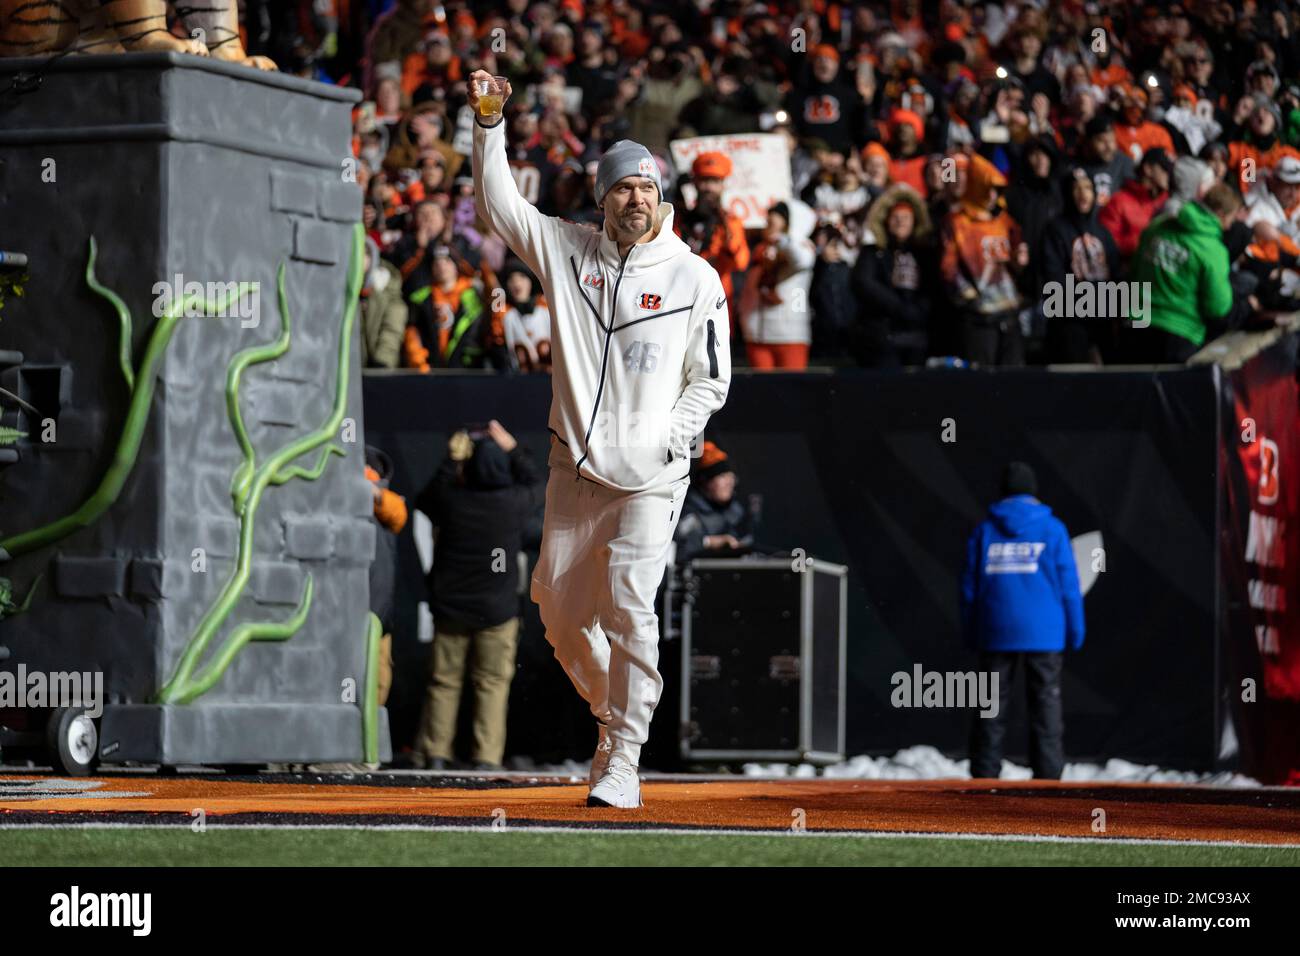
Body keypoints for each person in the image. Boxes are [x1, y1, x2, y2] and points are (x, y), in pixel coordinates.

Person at [469, 70, 731, 808]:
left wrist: (666, 442)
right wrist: (490, 120)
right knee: (555, 612)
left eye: (647, 188)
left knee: (627, 602)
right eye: (622, 188)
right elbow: (498, 204)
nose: (636, 199)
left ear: (661, 197)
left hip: (651, 476)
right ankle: (611, 718)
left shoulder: (694, 277)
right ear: (602, 197)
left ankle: (623, 757)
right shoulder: (565, 251)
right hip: (573, 469)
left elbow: (710, 383)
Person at [412, 421, 544, 770]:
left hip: (451, 607)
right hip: (497, 612)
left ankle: (436, 754)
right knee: (492, 685)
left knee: (444, 683)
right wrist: (513, 447)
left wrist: (451, 459)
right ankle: (486, 758)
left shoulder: (451, 499)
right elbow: (536, 483)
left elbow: (424, 500)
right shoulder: (513, 503)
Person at [961, 462, 1085, 780]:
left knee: (989, 705)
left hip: (995, 629)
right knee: (1045, 704)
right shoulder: (1053, 529)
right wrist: (1075, 629)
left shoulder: (984, 531)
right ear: (1034, 493)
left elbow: (969, 590)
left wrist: (972, 631)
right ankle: (1048, 778)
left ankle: (984, 778)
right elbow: (1069, 586)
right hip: (1045, 632)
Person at [1125, 182, 1242, 363]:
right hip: (1180, 334)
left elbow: (1135, 269)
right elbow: (1218, 307)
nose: (1228, 227)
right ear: (1220, 214)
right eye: (1230, 220)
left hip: (1136, 324)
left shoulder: (1159, 225)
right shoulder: (1213, 250)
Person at [674, 151, 750, 326]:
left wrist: (725, 227)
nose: (708, 187)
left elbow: (740, 262)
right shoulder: (679, 219)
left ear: (723, 185)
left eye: (715, 182)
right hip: (679, 299)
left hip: (715, 303)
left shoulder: (731, 222)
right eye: (704, 180)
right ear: (694, 182)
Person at [741, 199, 818, 370]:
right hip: (757, 335)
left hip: (790, 337)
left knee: (792, 392)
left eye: (773, 220)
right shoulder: (760, 249)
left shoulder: (800, 246)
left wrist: (784, 240)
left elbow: (802, 260)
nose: (767, 224)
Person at [672, 441, 755, 563]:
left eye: (730, 477)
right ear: (706, 482)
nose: (729, 483)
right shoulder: (688, 512)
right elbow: (677, 547)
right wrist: (709, 542)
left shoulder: (737, 512)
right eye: (722, 477)